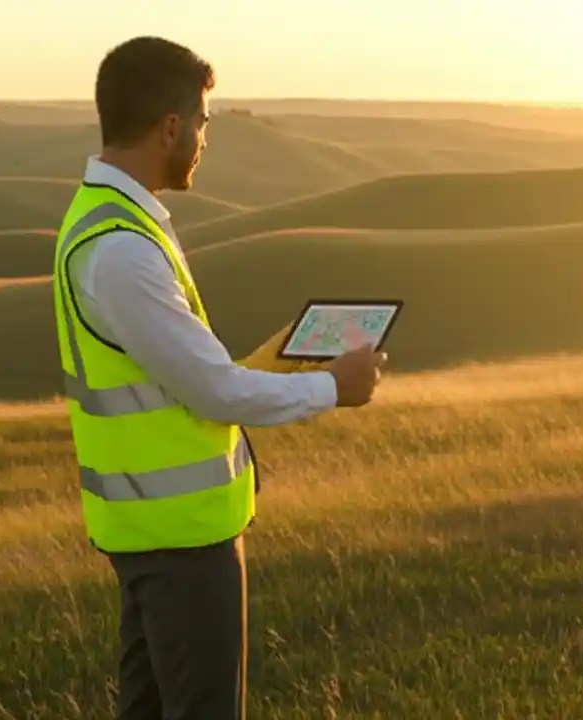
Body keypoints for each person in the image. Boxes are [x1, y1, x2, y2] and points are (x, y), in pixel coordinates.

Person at [51, 36, 388, 720]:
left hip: (154, 533)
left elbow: (186, 380)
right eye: (202, 122)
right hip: (180, 541)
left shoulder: (111, 224)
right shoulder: (121, 251)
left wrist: (281, 360)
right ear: (170, 126)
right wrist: (333, 387)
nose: (205, 139)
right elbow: (213, 393)